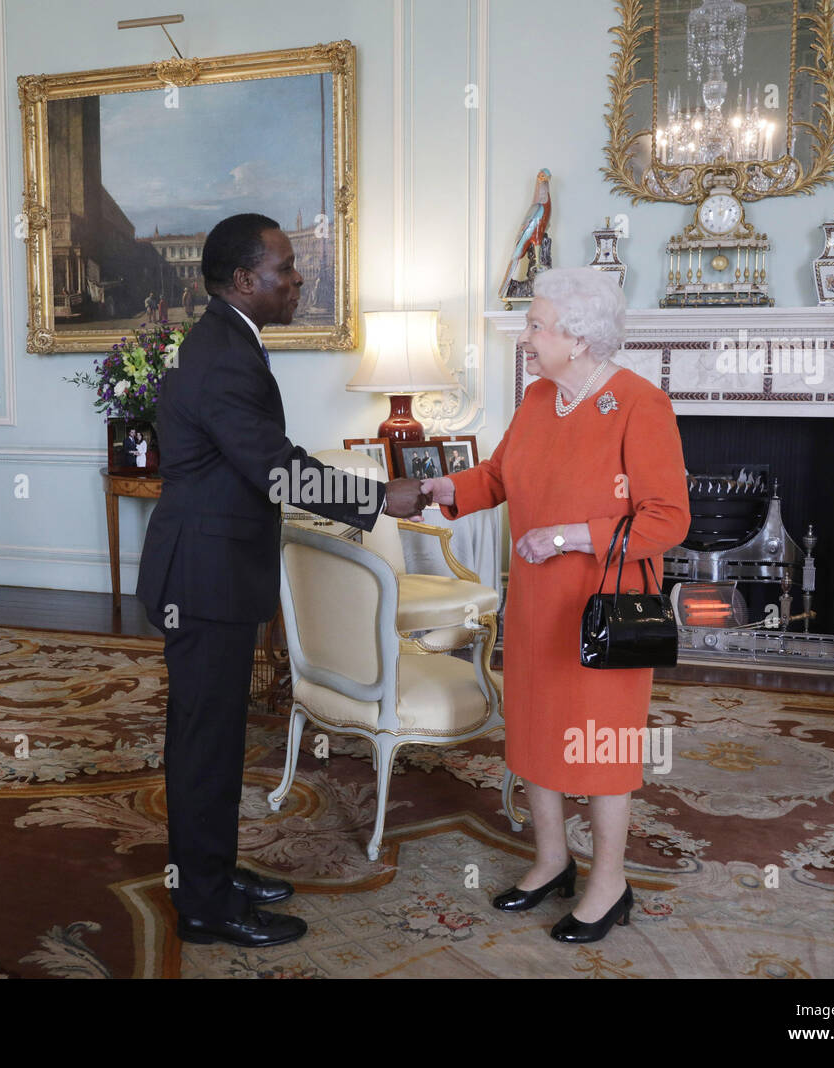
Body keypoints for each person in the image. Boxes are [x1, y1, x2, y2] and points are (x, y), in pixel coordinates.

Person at [137, 212, 427, 950]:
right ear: (244, 280)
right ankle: (203, 907)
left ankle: (212, 872)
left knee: (214, 737)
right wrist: (377, 499)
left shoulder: (226, 342)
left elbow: (271, 455)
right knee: (205, 743)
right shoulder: (225, 356)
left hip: (211, 573)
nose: (298, 279)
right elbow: (273, 467)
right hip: (203, 582)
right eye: (286, 268)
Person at [421, 267, 689, 943]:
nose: (525, 337)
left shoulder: (638, 404)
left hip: (605, 610)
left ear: (579, 336)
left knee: (600, 746)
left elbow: (669, 519)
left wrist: (573, 535)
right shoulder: (541, 398)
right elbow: (497, 477)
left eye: (537, 325)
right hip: (538, 604)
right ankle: (551, 860)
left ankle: (610, 882)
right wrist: (437, 490)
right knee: (534, 733)